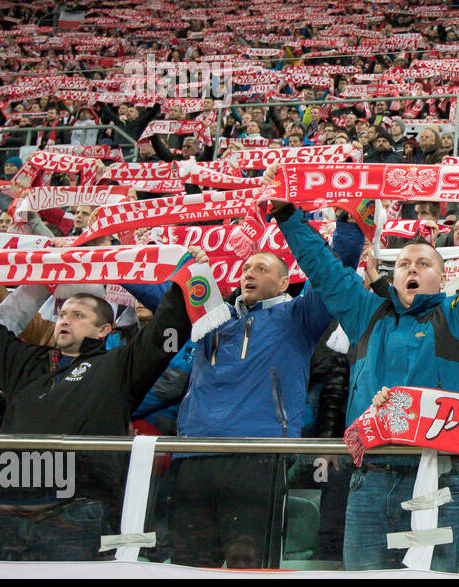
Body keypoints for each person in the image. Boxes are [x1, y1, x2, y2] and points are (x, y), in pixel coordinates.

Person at [265, 165, 459, 572]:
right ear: (392, 275)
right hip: (369, 479)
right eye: (403, 264)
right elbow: (324, 269)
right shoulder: (366, 314)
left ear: (443, 278)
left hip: (436, 478)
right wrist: (286, 213)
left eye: (423, 263)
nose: (412, 269)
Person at [125, 222, 363, 569]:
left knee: (248, 561)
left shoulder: (299, 315)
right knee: (190, 563)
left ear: (284, 282)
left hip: (260, 453)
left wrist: (349, 220)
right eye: (246, 268)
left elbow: (335, 267)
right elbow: (154, 291)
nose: (249, 273)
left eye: (261, 268)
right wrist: (121, 248)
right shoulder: (211, 318)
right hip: (193, 455)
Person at [0, 282, 191, 561]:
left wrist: (185, 280)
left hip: (78, 514)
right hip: (6, 513)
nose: (66, 319)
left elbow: (167, 334)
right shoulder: (25, 364)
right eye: (63, 313)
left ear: (104, 331)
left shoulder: (119, 367)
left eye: (79, 315)